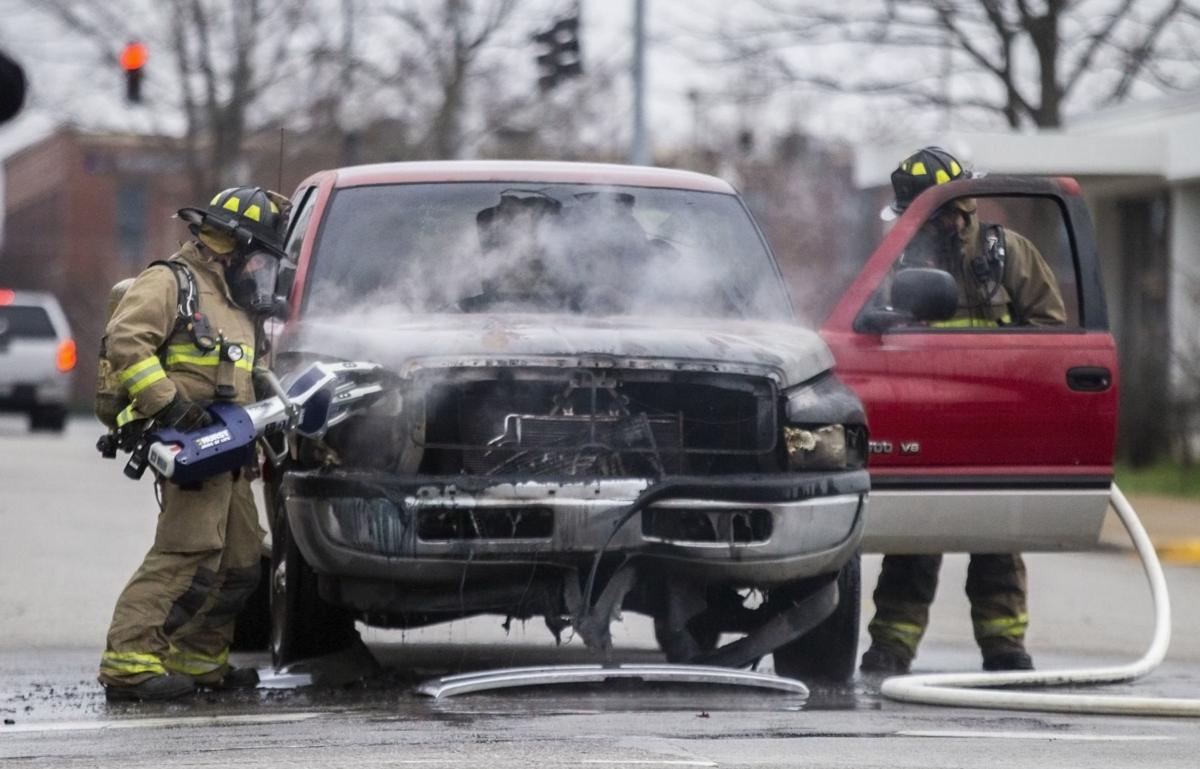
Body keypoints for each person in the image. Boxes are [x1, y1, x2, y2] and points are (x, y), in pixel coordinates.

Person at [861, 147, 1066, 675]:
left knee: (996, 541)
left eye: (939, 213)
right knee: (913, 544)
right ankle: (890, 648)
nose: (936, 224)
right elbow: (867, 331)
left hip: (995, 424)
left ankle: (1005, 650)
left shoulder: (1009, 255)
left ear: (962, 208)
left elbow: (1051, 332)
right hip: (925, 421)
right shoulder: (897, 263)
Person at [98, 186, 288, 701]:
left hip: (230, 450)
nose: (262, 271)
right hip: (190, 443)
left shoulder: (233, 298)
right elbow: (126, 342)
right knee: (186, 554)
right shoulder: (169, 281)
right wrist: (169, 406)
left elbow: (245, 375)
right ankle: (130, 662)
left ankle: (199, 659)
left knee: (242, 561)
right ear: (235, 243)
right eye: (260, 256)